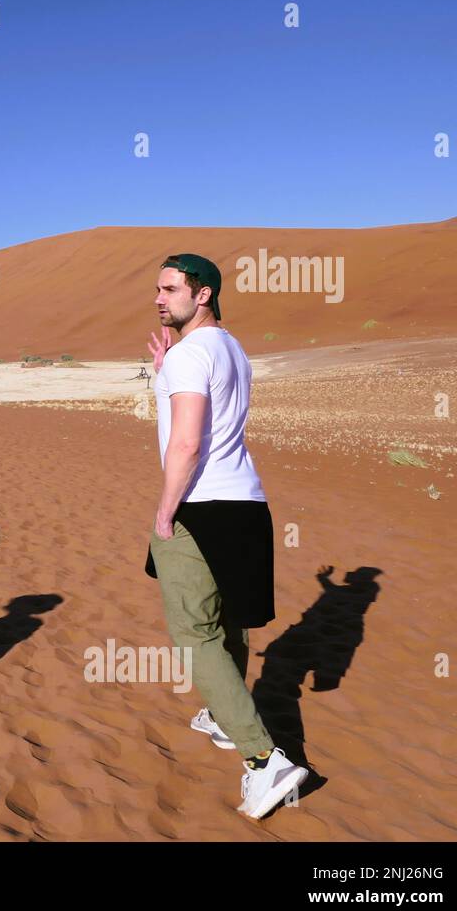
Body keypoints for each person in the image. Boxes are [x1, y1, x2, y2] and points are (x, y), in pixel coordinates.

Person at [144, 253, 308, 820]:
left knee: (193, 631)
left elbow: (186, 442)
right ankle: (221, 712)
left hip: (200, 504)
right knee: (227, 621)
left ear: (204, 293)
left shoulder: (192, 354)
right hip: (245, 503)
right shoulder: (230, 348)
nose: (160, 299)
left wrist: (166, 511)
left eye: (170, 290)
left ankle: (265, 762)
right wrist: (166, 369)